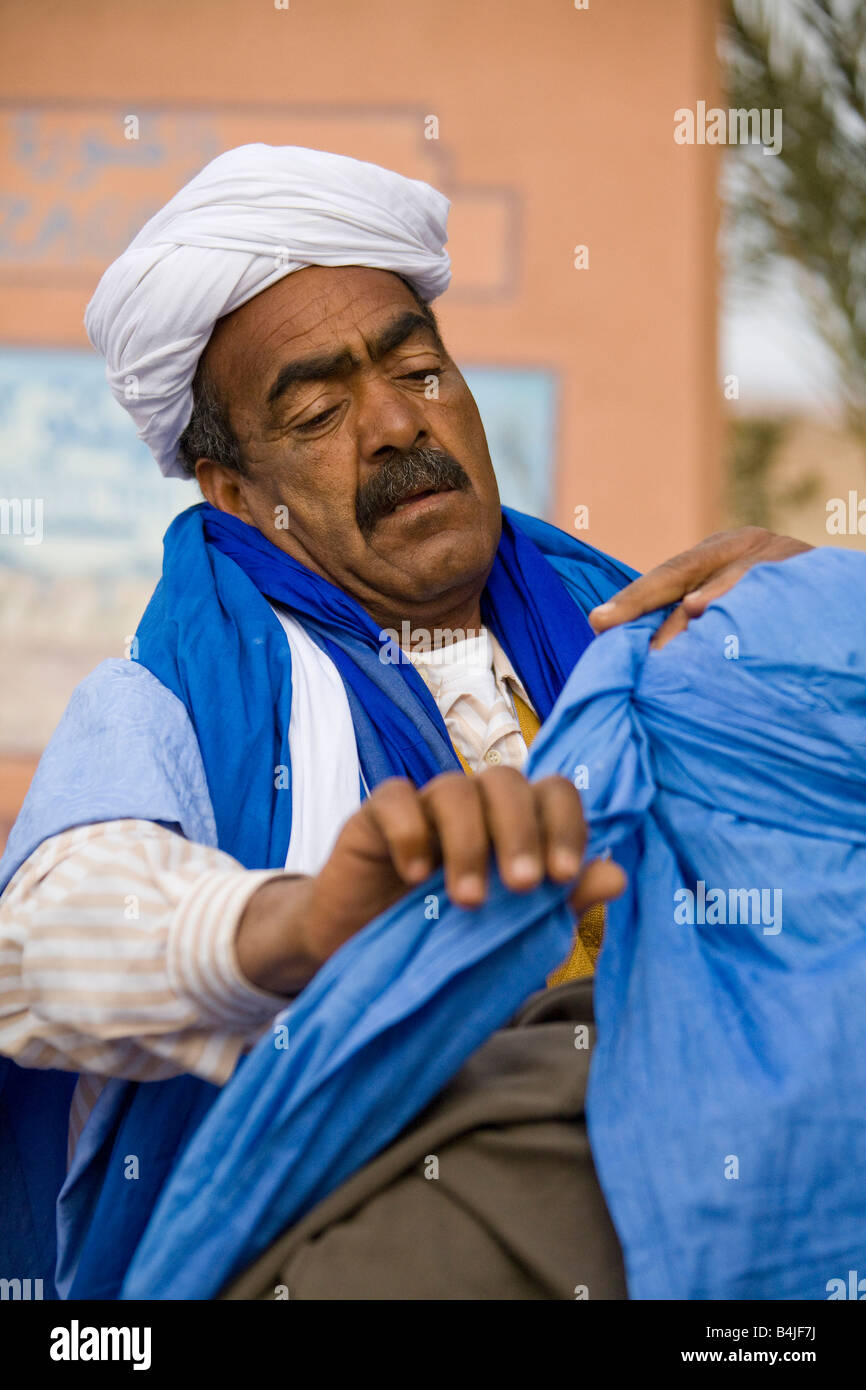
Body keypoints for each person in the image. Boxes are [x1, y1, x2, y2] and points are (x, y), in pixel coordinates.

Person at [0, 144, 809, 1299]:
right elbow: (37, 940)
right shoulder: (164, 696)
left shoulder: (642, 629)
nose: (391, 424)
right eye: (320, 409)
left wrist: (830, 634)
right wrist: (292, 924)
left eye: (419, 371)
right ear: (235, 495)